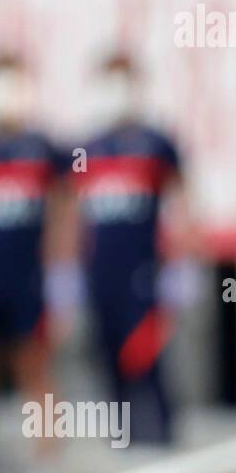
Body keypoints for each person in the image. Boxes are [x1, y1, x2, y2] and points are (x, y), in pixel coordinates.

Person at [0, 54, 74, 473]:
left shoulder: (44, 147)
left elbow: (65, 211)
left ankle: (47, 459)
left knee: (35, 365)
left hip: (28, 274)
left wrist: (62, 273)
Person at [77, 54, 187, 447]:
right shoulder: (88, 147)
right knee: (106, 355)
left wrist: (181, 266)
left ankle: (162, 441)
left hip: (144, 270)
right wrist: (70, 270)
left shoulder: (157, 143)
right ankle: (120, 443)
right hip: (100, 270)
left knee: (148, 356)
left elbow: (182, 202)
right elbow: (74, 213)